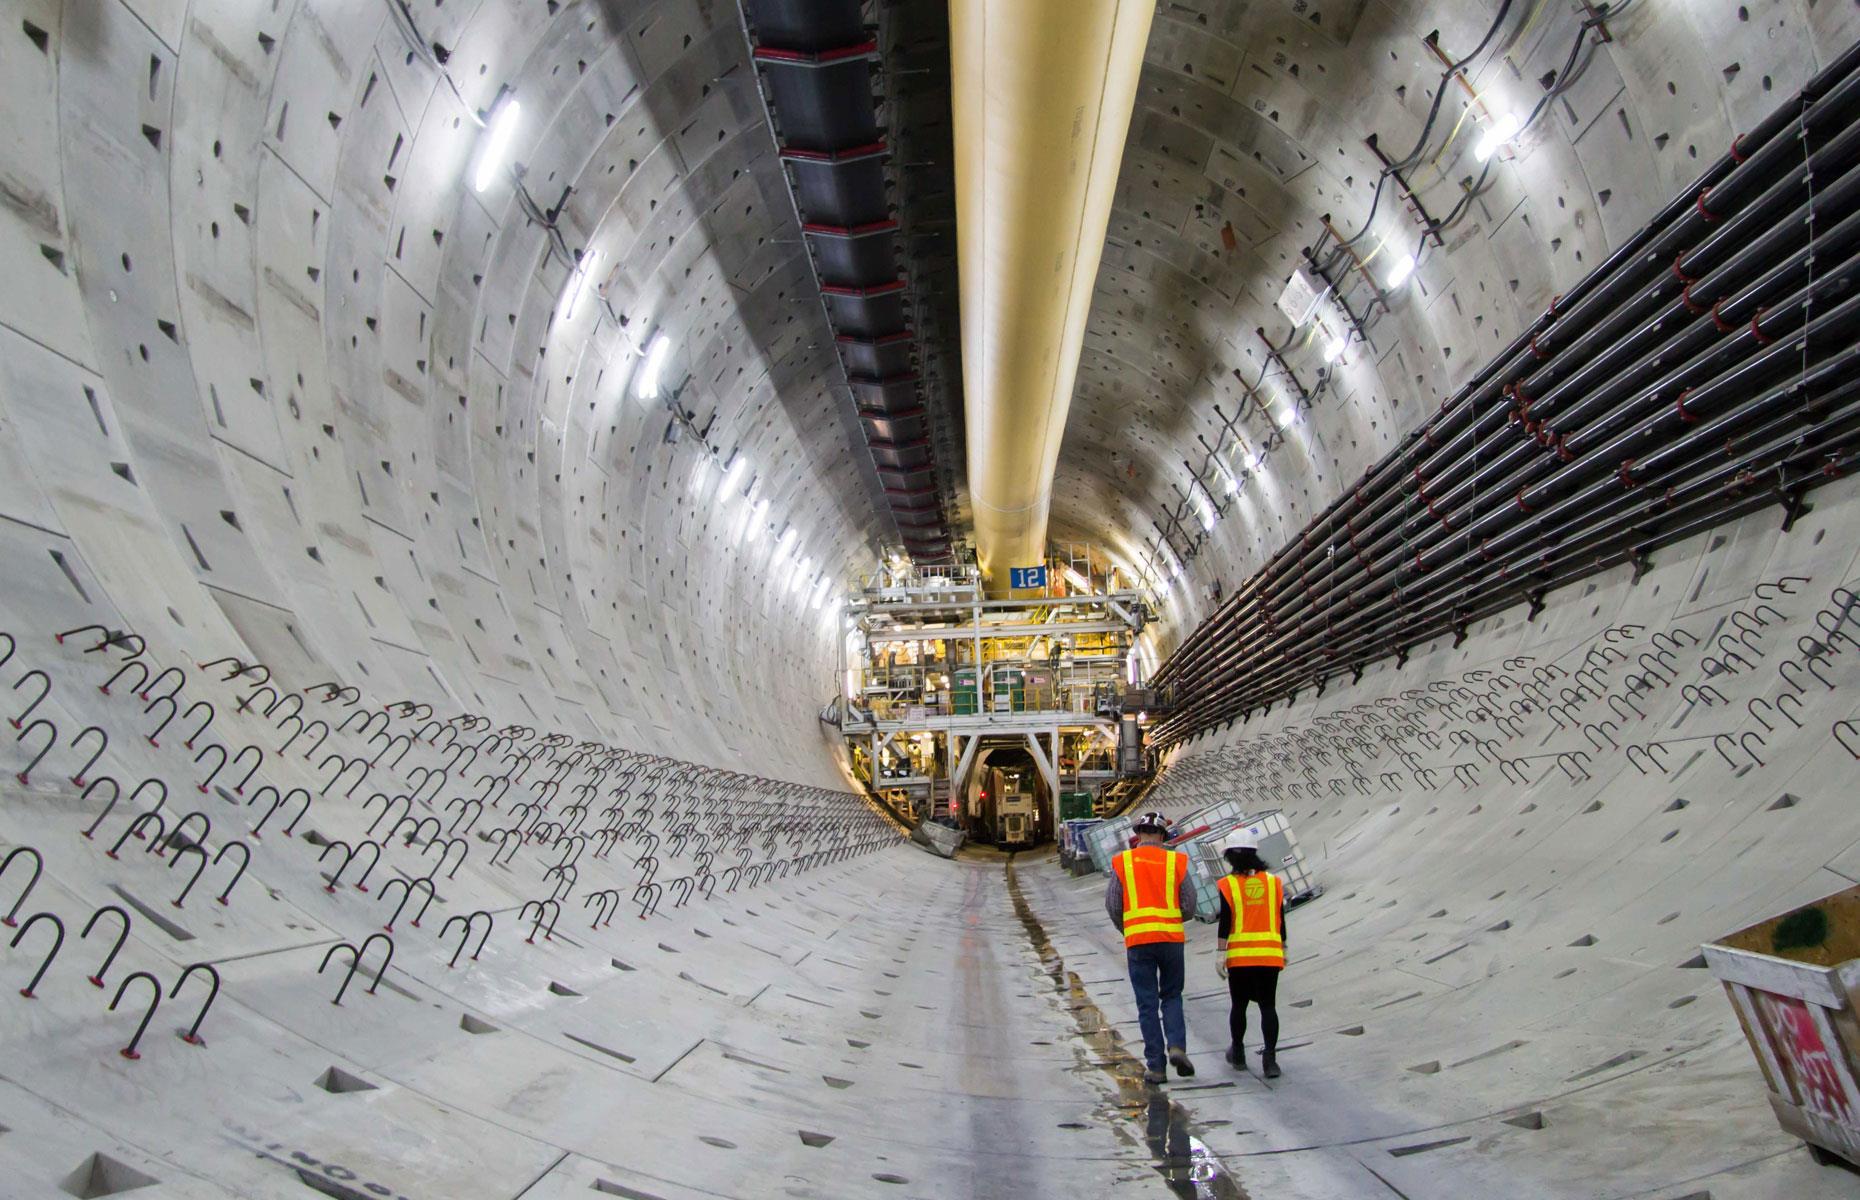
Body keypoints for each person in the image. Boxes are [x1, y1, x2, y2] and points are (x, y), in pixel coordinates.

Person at [1106, 811, 1197, 1085]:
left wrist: (1129, 927)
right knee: (1171, 995)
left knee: (1147, 1004)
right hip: (1170, 940)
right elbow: (1190, 903)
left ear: (1139, 834)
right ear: (1162, 835)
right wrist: (1170, 919)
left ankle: (1156, 1068)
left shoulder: (1123, 862)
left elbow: (1113, 905)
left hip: (1138, 943)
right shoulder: (1175, 861)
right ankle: (1177, 1046)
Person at [1215, 832, 1286, 1078]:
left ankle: (1238, 1053)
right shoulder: (1273, 882)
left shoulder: (1228, 884)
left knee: (1239, 1005)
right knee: (1268, 1006)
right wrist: (1284, 948)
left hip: (1241, 957)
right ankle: (1270, 1060)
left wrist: (1220, 953)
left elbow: (1225, 922)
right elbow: (1280, 918)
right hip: (1268, 955)